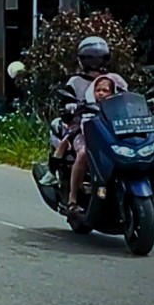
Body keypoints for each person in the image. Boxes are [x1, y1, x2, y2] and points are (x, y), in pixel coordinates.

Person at [60, 36, 129, 213]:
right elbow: (65, 106)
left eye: (98, 58)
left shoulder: (114, 80)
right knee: (83, 153)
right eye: (90, 59)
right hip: (82, 128)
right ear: (83, 60)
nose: (95, 63)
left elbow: (127, 99)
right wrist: (71, 107)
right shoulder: (75, 82)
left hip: (110, 127)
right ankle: (73, 199)